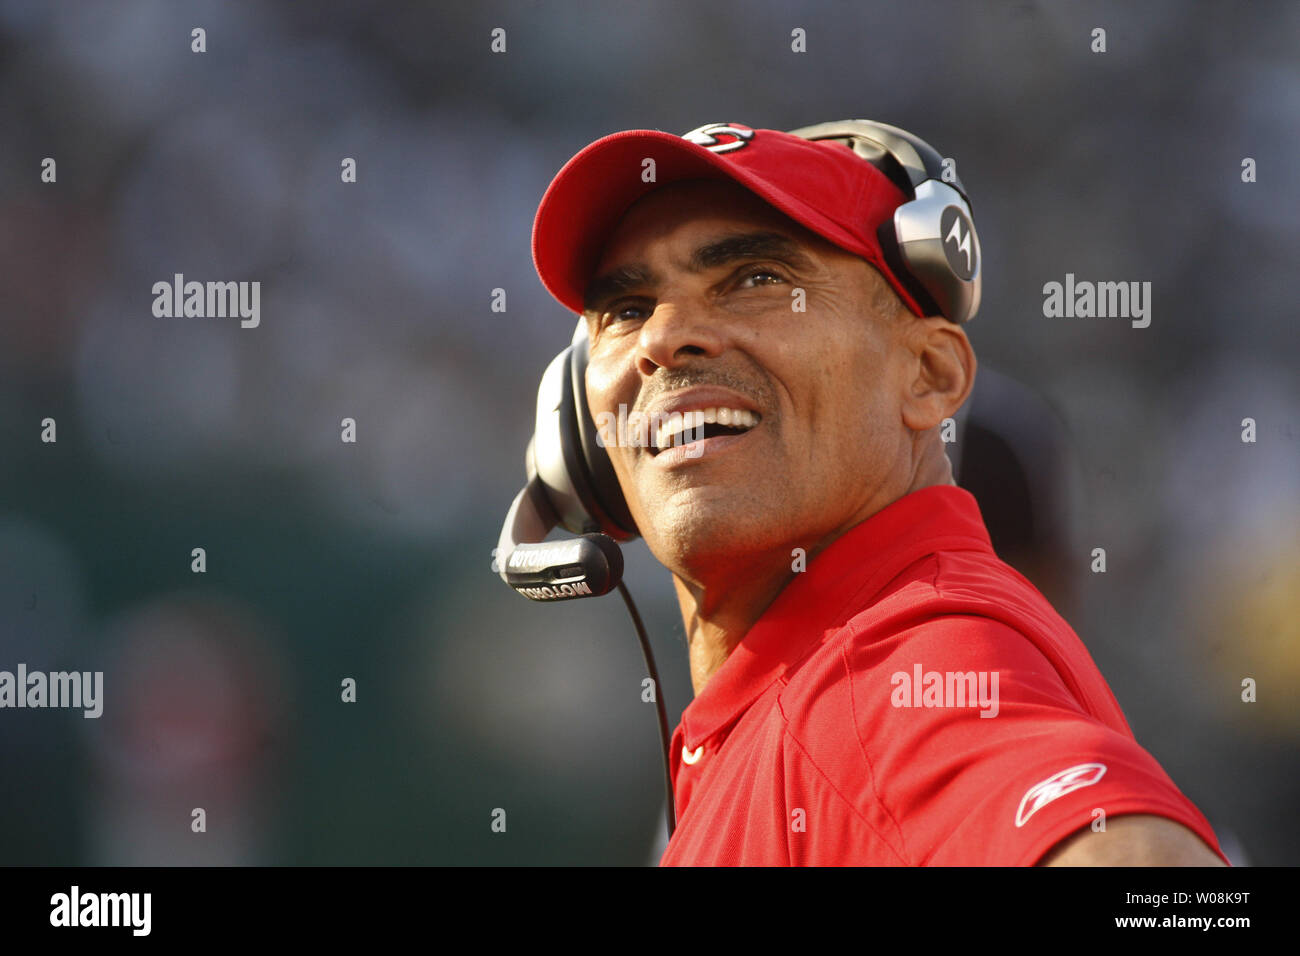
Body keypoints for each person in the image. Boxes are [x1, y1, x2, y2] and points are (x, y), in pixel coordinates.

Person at [527, 121, 1227, 866]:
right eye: (626, 309)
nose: (665, 339)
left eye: (757, 280)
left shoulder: (890, 671)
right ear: (579, 442)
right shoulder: (794, 706)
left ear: (929, 376)